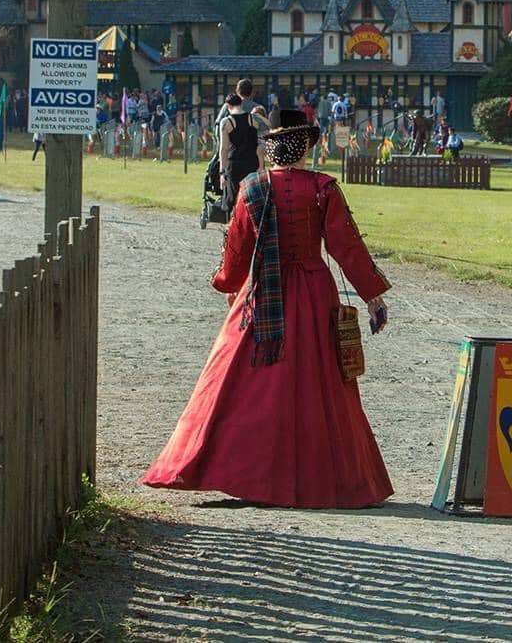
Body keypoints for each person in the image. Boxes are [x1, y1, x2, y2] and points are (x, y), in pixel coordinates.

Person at [144, 108, 393, 507]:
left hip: (262, 293)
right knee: (320, 385)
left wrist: (229, 284)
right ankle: (325, 478)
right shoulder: (323, 188)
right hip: (313, 292)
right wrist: (373, 297)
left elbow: (237, 250)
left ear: (273, 148)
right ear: (307, 146)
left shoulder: (251, 188)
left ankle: (237, 468)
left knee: (240, 384)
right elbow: (346, 248)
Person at [217, 80, 268, 213]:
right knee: (252, 198)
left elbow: (223, 146)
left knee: (233, 199)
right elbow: (267, 131)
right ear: (251, 92)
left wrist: (222, 171)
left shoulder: (227, 116)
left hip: (234, 161)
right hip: (252, 160)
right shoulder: (256, 113)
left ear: (237, 91)